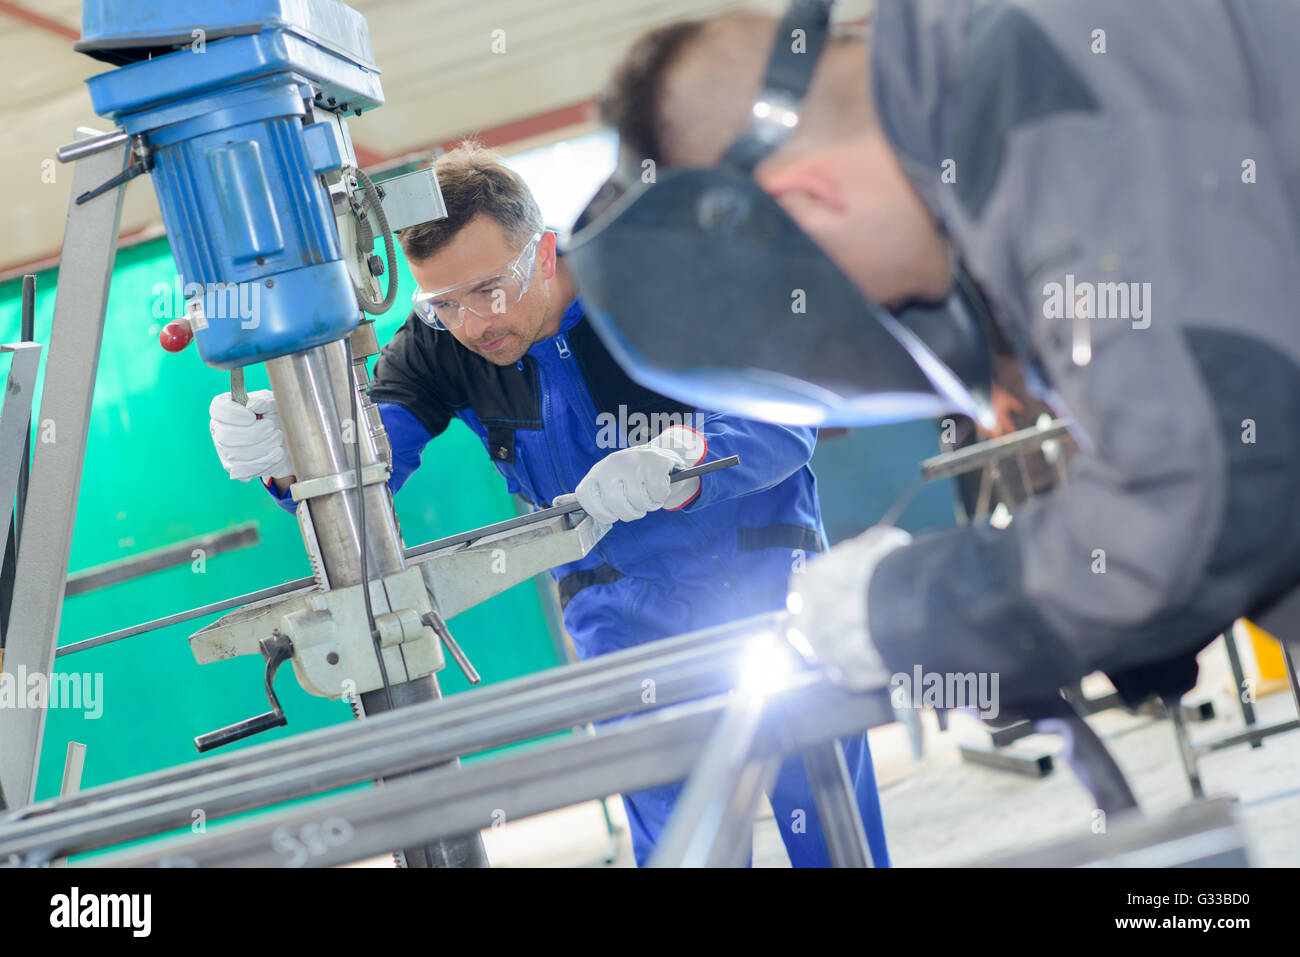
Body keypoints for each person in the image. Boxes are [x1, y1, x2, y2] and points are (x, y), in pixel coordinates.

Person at [583, 0, 1300, 712]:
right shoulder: (981, 86)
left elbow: (1222, 477)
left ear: (809, 200)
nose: (885, 314)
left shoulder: (1018, 87)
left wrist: (905, 608)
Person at [208, 143, 891, 867]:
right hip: (622, 620)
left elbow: (786, 415)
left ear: (543, 250)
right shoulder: (439, 345)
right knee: (687, 842)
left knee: (825, 816)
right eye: (444, 302)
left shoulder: (656, 281)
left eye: (490, 288)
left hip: (765, 580)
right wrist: (286, 467)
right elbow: (363, 478)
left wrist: (684, 460)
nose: (475, 321)